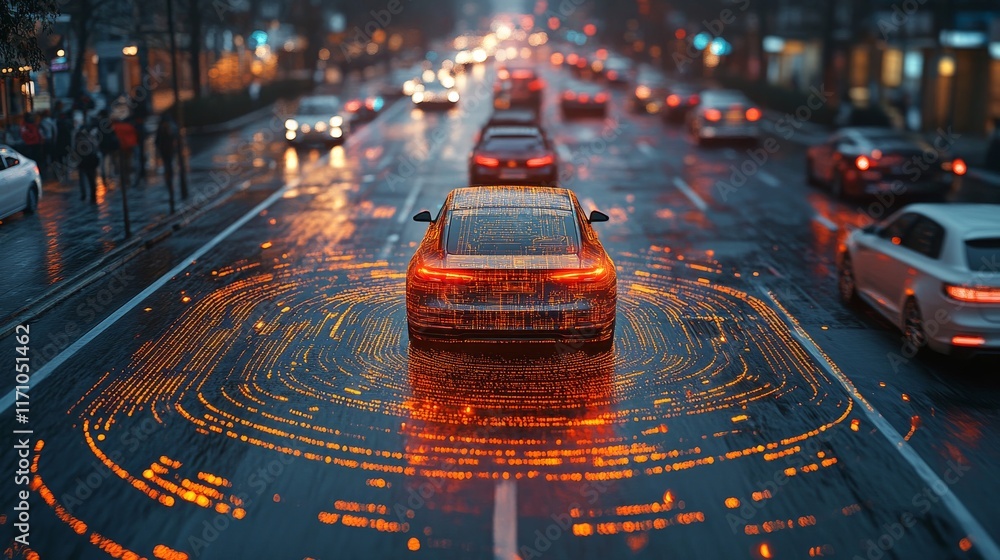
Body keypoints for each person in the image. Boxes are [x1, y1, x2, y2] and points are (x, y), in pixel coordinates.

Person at [73, 123, 100, 203]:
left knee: (83, 180)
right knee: (92, 180)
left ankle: (84, 195)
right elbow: (95, 150)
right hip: (90, 162)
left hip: (82, 162)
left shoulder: (78, 141)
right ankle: (93, 196)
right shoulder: (91, 140)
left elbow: (75, 152)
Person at [155, 112, 178, 196]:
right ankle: (169, 176)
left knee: (167, 163)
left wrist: (158, 147)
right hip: (169, 149)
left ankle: (168, 176)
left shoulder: (161, 128)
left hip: (165, 149)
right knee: (168, 163)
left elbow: (157, 140)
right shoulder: (171, 127)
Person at [111, 117, 138, 188]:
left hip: (120, 148)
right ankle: (128, 178)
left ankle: (123, 179)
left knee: (121, 164)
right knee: (128, 163)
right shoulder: (128, 126)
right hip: (129, 146)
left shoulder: (115, 127)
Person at [96, 109, 120, 186]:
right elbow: (113, 133)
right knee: (111, 161)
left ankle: (104, 176)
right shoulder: (109, 123)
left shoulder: (99, 124)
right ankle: (111, 175)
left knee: (103, 162)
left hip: (103, 145)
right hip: (110, 145)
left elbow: (98, 135)